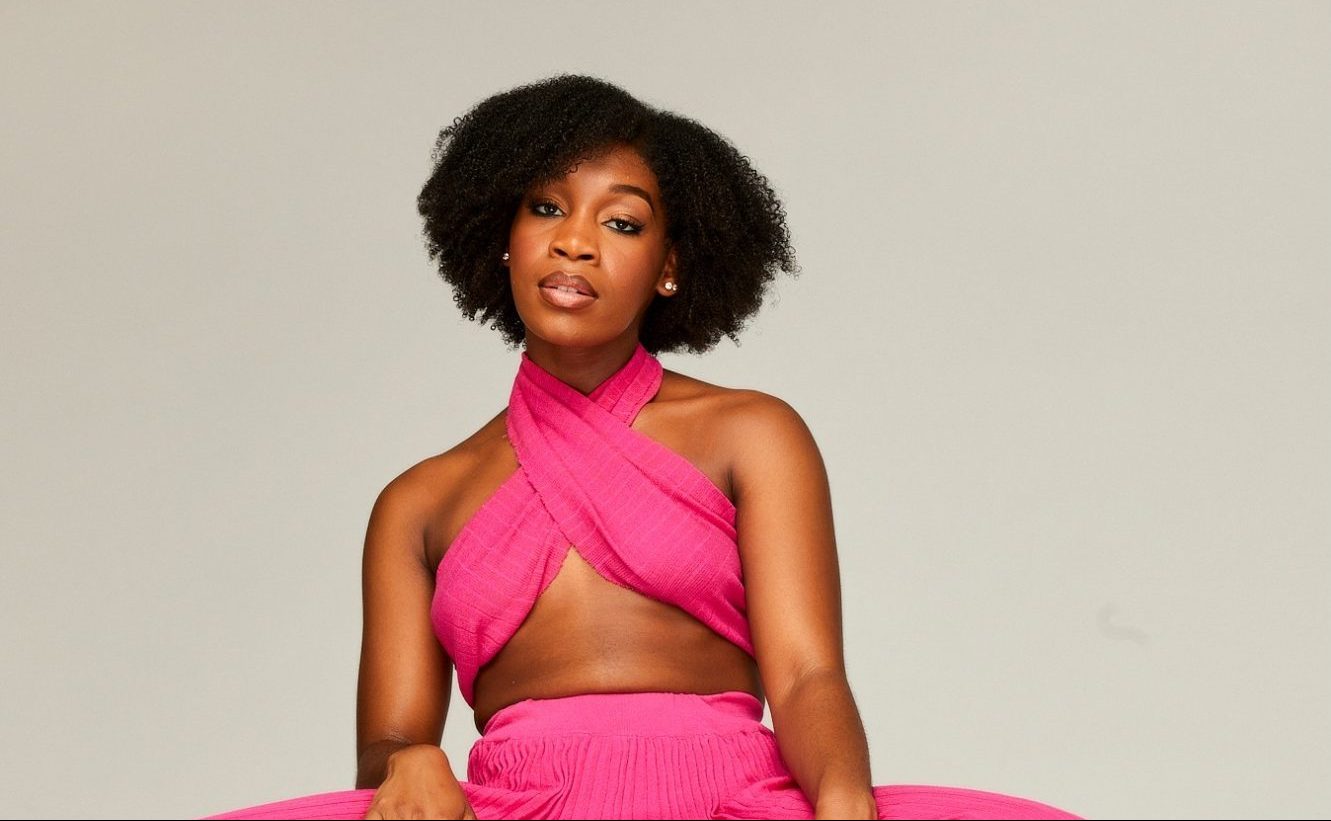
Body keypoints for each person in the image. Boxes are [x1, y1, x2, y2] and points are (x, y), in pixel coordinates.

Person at [206, 74, 1080, 821]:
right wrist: (407, 759)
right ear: (502, 238)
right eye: (545, 208)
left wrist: (845, 802)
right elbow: (387, 750)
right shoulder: (418, 502)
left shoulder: (751, 433)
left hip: (727, 798)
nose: (574, 240)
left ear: (668, 266)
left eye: (621, 223)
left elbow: (806, 674)